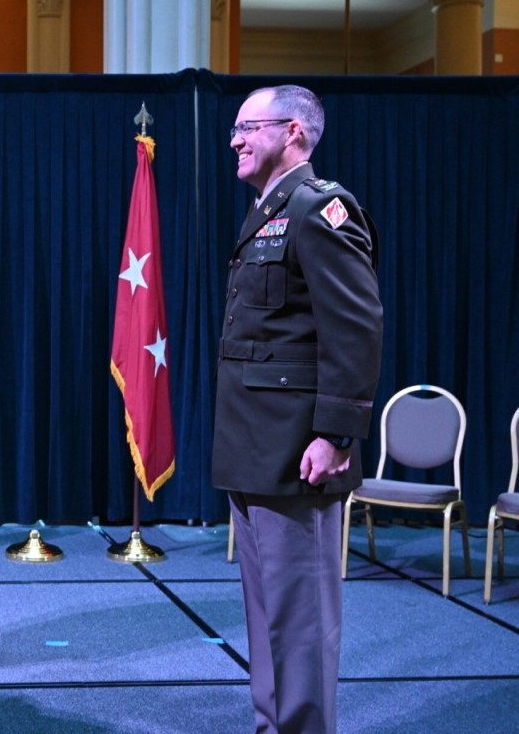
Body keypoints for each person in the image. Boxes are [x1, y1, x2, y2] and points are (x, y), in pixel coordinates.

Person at [213, 84, 383, 734]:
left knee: (301, 625)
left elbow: (357, 325)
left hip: (298, 457)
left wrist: (335, 435)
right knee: (268, 619)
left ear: (293, 133)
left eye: (247, 128)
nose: (234, 139)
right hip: (256, 453)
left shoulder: (320, 209)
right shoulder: (268, 212)